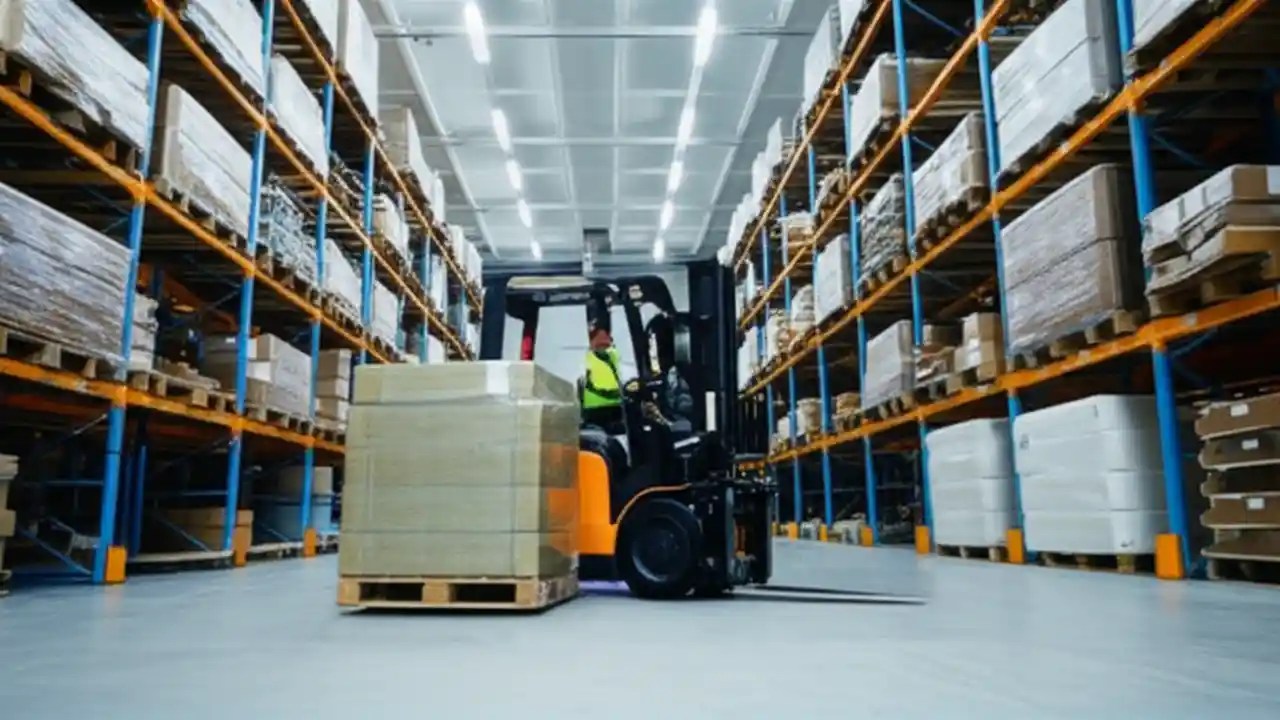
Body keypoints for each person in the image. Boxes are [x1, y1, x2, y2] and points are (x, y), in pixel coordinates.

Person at [580, 324, 624, 431]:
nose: (603, 345)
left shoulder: (613, 355)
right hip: (595, 409)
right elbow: (586, 383)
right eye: (600, 343)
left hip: (615, 406)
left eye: (605, 343)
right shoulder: (587, 358)